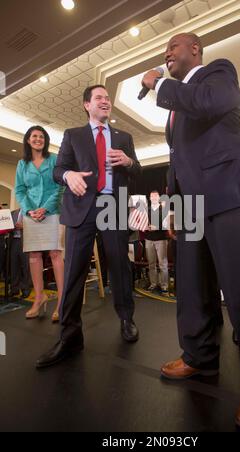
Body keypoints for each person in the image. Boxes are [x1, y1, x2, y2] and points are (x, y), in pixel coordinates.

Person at [142, 33, 240, 431]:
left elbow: (211, 104)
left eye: (174, 46)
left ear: (195, 50)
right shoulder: (176, 106)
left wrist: (159, 83)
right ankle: (198, 355)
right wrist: (172, 206)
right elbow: (177, 159)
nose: (167, 53)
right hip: (189, 207)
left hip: (225, 198)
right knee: (191, 288)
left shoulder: (218, 73)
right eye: (165, 49)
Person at [36, 84, 141, 369]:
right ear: (87, 105)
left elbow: (138, 169)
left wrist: (129, 160)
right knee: (74, 271)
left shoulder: (124, 137)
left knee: (120, 266)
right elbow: (58, 170)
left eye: (108, 98)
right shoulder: (73, 135)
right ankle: (70, 337)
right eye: (99, 98)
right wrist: (69, 175)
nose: (105, 102)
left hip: (113, 206)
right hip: (82, 207)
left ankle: (126, 319)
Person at [15, 126, 64, 322]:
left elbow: (60, 186)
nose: (38, 139)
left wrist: (46, 207)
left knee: (55, 254)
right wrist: (29, 210)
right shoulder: (22, 164)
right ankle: (40, 297)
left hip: (52, 212)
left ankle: (61, 301)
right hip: (31, 214)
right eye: (34, 136)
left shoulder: (54, 159)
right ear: (28, 140)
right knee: (34, 256)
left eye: (41, 136)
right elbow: (19, 190)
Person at [144, 190, 169, 294]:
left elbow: (168, 225)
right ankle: (153, 284)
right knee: (151, 264)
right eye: (151, 196)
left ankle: (164, 286)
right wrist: (145, 226)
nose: (153, 198)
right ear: (149, 198)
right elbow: (142, 222)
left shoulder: (164, 209)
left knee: (163, 264)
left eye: (155, 196)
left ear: (159, 198)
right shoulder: (147, 210)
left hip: (161, 240)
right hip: (149, 239)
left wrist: (157, 227)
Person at [9, 209, 31, 298]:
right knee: (14, 266)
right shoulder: (13, 213)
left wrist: (23, 226)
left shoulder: (31, 212)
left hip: (25, 242)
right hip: (14, 241)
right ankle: (14, 289)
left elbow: (35, 226)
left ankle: (26, 289)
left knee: (26, 267)